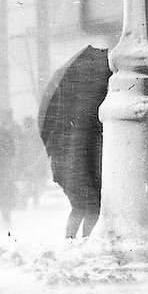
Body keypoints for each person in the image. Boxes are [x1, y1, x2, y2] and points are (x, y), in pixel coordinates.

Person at [40, 47, 107, 240]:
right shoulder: (83, 122)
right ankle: (84, 242)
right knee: (92, 207)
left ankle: (71, 241)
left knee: (79, 207)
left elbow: (46, 129)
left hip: (64, 165)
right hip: (80, 165)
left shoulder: (61, 119)